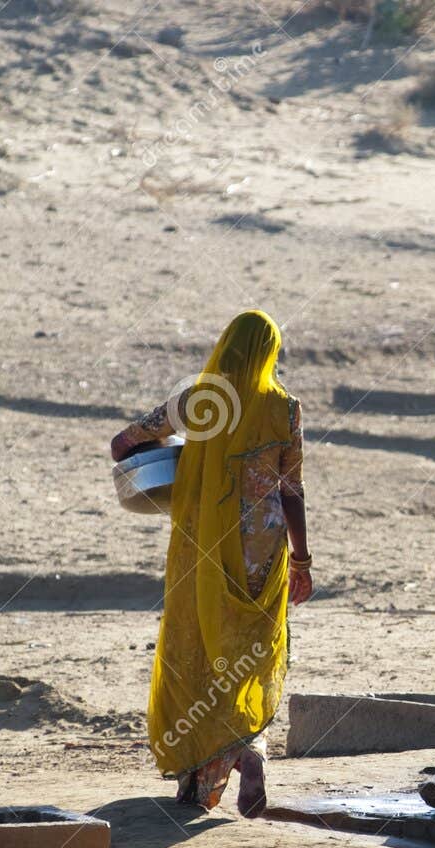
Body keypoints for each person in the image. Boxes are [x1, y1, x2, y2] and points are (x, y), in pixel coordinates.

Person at [109, 310, 312, 817]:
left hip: (202, 549)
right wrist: (303, 560)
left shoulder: (200, 400)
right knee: (249, 652)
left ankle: (201, 777)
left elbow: (122, 443)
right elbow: (292, 490)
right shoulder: (286, 409)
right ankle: (250, 747)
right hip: (263, 550)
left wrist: (178, 455)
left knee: (198, 647)